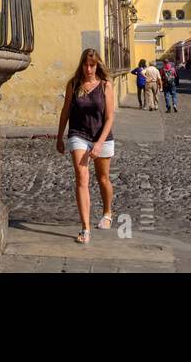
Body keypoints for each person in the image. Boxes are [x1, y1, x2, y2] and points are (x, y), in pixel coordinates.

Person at [56, 48, 115, 244]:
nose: (89, 69)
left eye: (92, 65)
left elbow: (109, 118)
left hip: (102, 136)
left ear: (97, 66)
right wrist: (59, 137)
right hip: (78, 135)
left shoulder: (106, 86)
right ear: (81, 65)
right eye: (86, 65)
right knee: (81, 177)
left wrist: (98, 144)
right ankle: (85, 228)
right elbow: (65, 112)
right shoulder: (73, 85)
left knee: (103, 179)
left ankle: (107, 212)